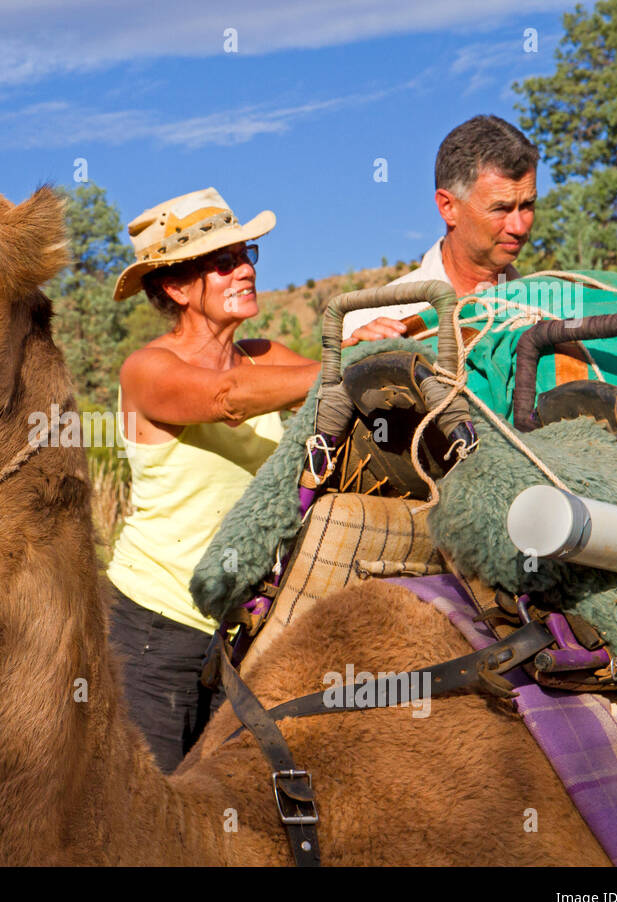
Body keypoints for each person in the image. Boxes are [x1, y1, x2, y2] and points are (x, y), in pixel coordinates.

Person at [106, 188, 401, 772]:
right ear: (176, 287)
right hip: (153, 625)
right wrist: (343, 365)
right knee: (152, 807)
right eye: (223, 263)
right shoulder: (148, 370)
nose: (244, 269)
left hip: (242, 628)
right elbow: (226, 398)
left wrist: (380, 351)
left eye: (247, 255)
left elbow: (327, 383)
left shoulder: (264, 356)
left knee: (227, 804)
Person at [342, 114, 539, 339]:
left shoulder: (549, 313)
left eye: (527, 205)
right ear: (448, 207)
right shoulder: (374, 321)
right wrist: (357, 362)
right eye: (500, 209)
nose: (519, 227)